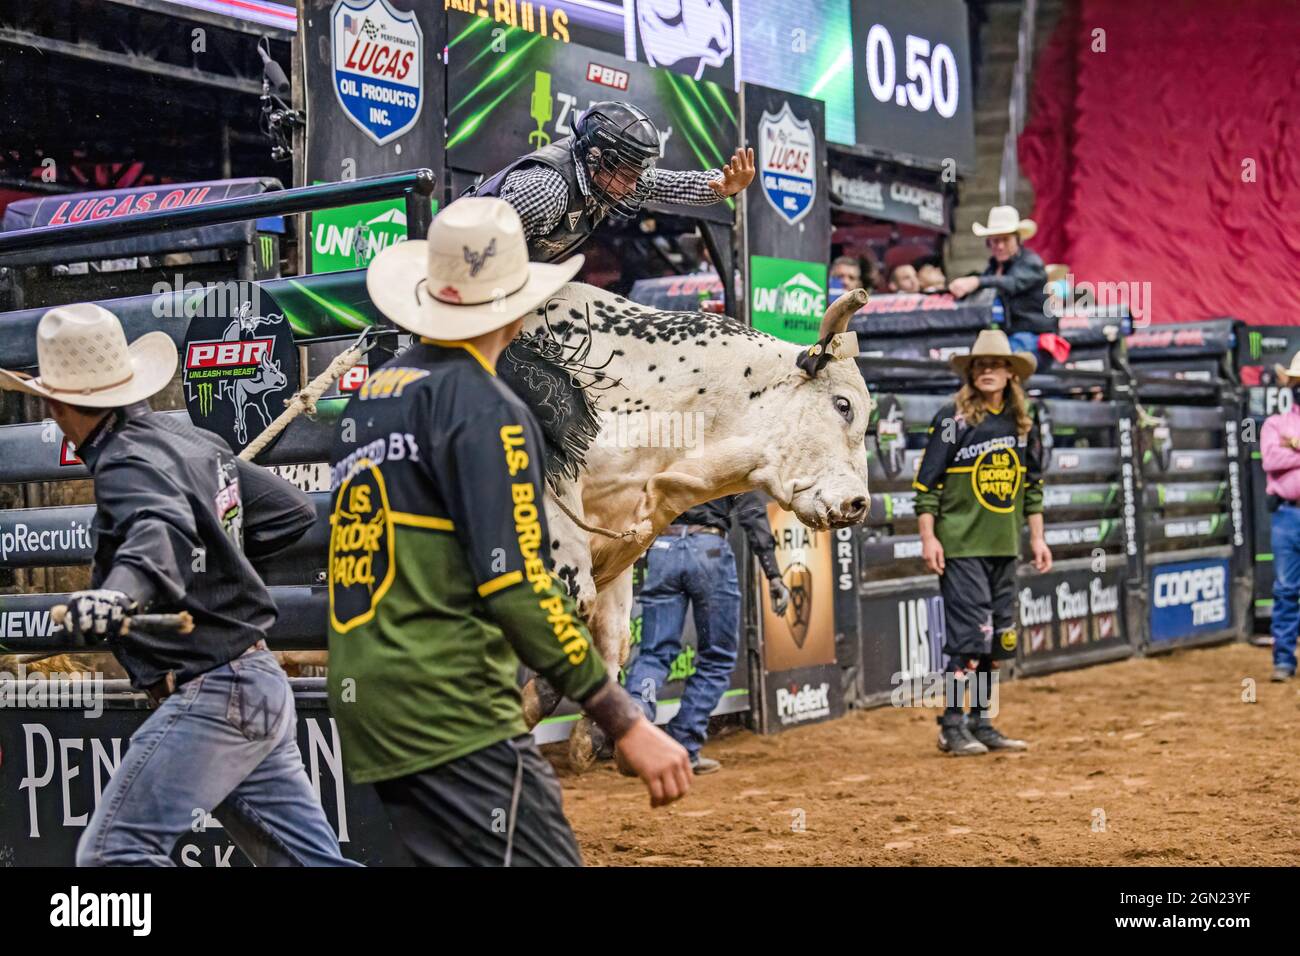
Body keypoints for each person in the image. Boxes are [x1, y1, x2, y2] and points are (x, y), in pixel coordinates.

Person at [327, 197, 691, 866]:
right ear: (519, 310)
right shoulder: (488, 408)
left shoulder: (374, 393)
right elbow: (515, 580)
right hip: (450, 706)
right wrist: (622, 716)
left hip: (371, 705)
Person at [0, 303, 352, 866]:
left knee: (112, 857)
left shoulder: (124, 463)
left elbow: (153, 532)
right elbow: (290, 511)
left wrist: (120, 594)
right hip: (254, 683)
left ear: (57, 404)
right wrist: (214, 564)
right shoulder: (190, 442)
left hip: (216, 693)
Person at [914, 329, 1052, 755]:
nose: (987, 371)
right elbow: (926, 485)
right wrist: (929, 537)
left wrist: (1038, 538)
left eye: (995, 364)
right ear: (971, 372)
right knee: (968, 640)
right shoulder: (953, 420)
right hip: (961, 545)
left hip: (1003, 545)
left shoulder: (1023, 423)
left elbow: (1032, 486)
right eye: (980, 365)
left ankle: (984, 720)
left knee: (997, 640)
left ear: (1011, 372)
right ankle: (952, 725)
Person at [621, 493, 790, 774]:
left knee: (654, 653)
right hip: (709, 547)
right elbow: (751, 510)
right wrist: (772, 573)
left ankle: (638, 707)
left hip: (663, 547)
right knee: (717, 657)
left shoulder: (668, 448)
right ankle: (684, 745)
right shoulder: (730, 449)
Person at [472, 100, 754, 263]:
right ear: (597, 158)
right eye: (629, 176)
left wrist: (720, 185)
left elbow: (669, 184)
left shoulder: (605, 178)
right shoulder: (547, 191)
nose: (634, 187)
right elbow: (477, 251)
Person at [948, 205, 1054, 357]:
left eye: (1005, 240)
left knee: (997, 358)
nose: (1000, 246)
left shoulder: (1031, 263)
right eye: (995, 241)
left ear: (1017, 239)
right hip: (1003, 335)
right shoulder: (993, 268)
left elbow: (1011, 283)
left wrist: (976, 282)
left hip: (1032, 336)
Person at [1261, 352, 1300, 682]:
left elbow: (1281, 456)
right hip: (1288, 514)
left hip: (1288, 515)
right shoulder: (1276, 424)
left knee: (1287, 588)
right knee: (1286, 589)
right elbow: (1271, 459)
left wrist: (1297, 445)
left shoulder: (1284, 428)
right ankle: (1284, 659)